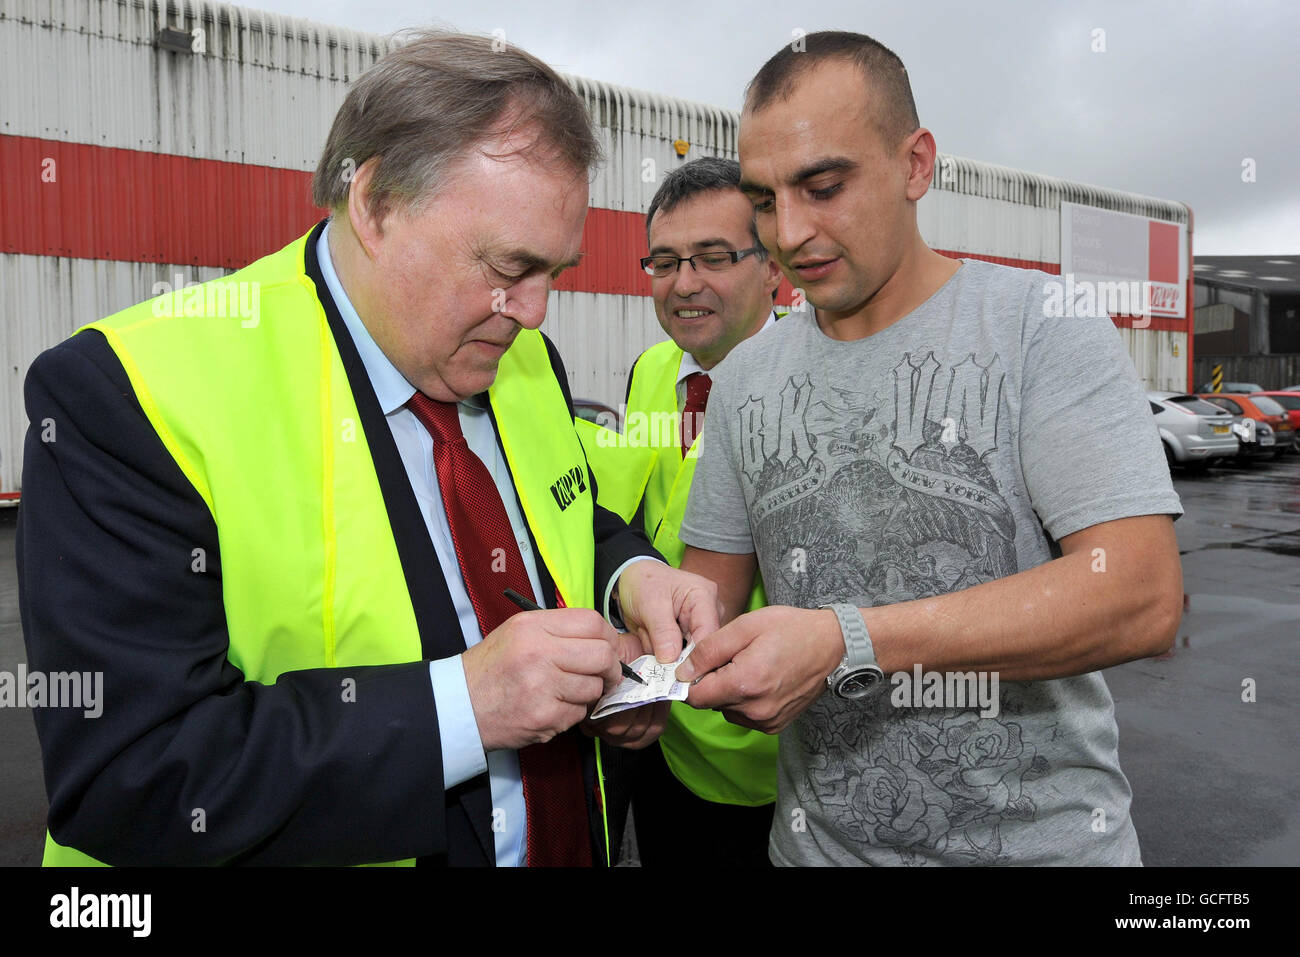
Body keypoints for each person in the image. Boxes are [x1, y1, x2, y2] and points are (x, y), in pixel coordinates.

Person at [18, 29, 717, 868]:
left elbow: (559, 508)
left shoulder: (515, 352)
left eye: (553, 275)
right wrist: (465, 704)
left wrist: (628, 574)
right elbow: (133, 776)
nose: (533, 312)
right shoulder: (128, 396)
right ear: (377, 204)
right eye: (509, 267)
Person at [670, 31, 1185, 866]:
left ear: (916, 165)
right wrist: (648, 661)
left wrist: (847, 641)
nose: (790, 233)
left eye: (824, 186)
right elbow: (710, 603)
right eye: (763, 200)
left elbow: (1140, 594)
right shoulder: (746, 378)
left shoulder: (1036, 326)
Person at [586, 157, 783, 866]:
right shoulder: (650, 370)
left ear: (773, 268)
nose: (684, 282)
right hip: (651, 719)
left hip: (759, 755)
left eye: (714, 257)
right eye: (665, 261)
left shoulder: (811, 386)